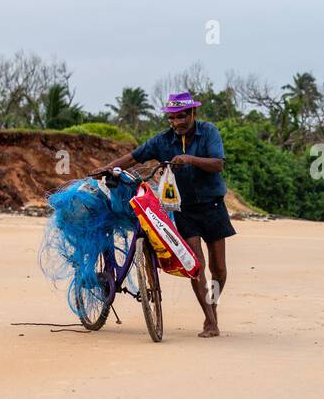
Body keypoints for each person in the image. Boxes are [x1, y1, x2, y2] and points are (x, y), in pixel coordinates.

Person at [92, 92, 233, 338]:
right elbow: (133, 157)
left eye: (181, 117)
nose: (177, 123)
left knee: (218, 268)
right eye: (172, 118)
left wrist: (190, 159)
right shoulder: (162, 140)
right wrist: (109, 168)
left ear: (193, 114)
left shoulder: (208, 132)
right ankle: (210, 320)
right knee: (195, 265)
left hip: (212, 206)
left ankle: (213, 304)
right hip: (183, 209)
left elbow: (217, 163)